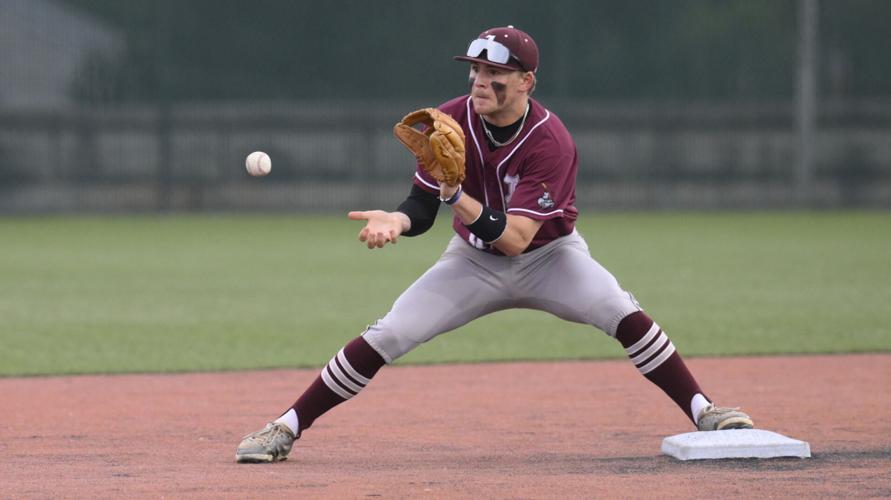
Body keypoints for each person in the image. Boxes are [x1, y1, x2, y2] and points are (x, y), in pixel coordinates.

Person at [235, 25, 753, 463]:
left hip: (550, 258)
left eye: (495, 76)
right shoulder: (449, 119)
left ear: (527, 82)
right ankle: (285, 426)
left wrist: (455, 195)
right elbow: (423, 205)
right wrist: (395, 219)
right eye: (476, 72)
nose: (481, 83)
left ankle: (705, 409)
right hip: (470, 262)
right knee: (390, 332)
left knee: (620, 310)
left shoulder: (551, 141)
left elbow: (515, 240)